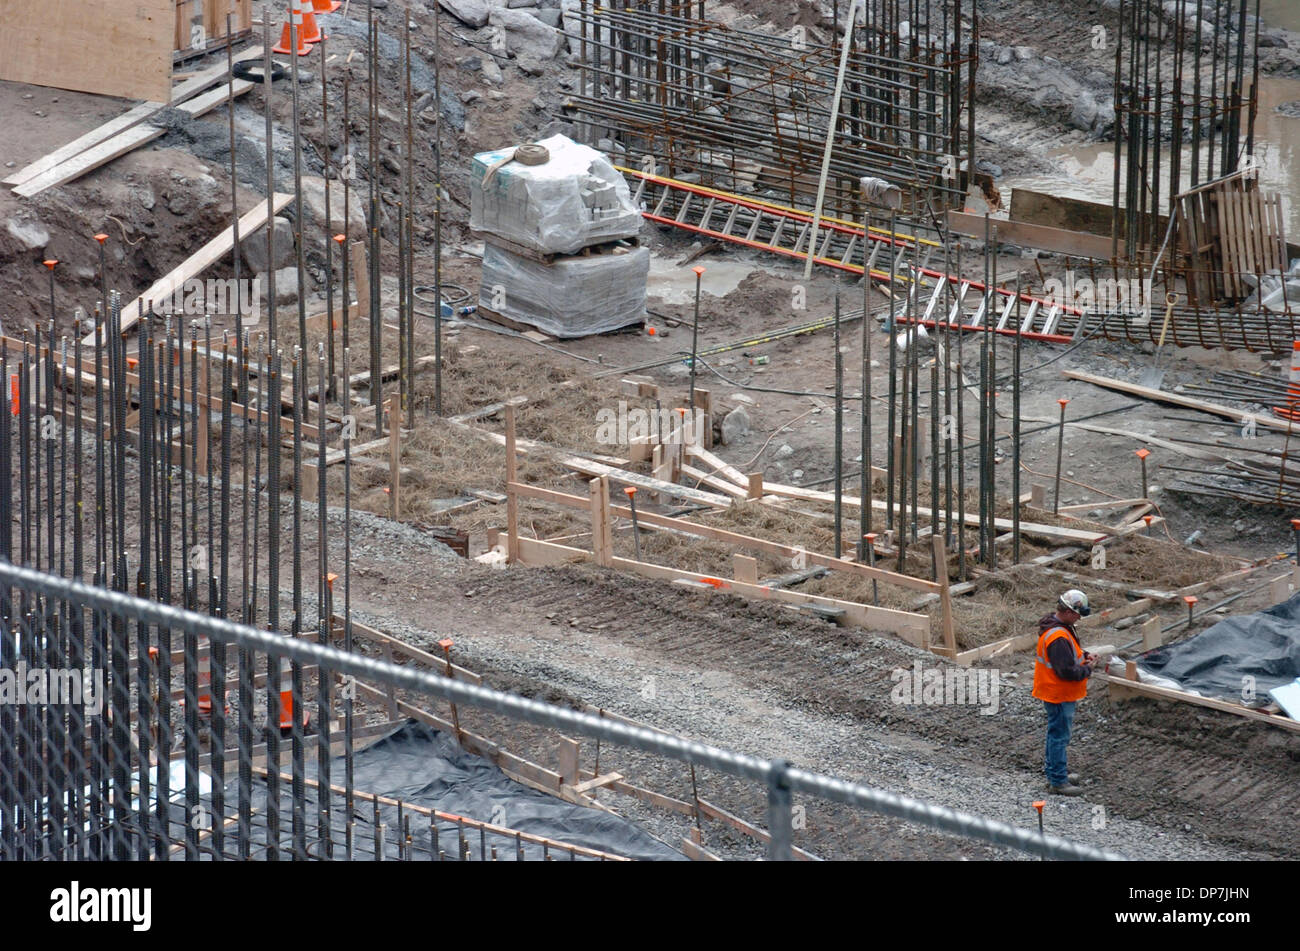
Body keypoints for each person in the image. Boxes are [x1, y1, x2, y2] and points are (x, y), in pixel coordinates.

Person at [1032, 589, 1098, 796]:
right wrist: (1088, 669)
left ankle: (1055, 773)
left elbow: (1068, 657)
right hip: (1059, 694)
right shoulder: (1058, 636)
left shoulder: (1058, 627)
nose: (1079, 618)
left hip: (1055, 692)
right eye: (1078, 614)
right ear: (1069, 611)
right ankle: (1058, 781)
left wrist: (1084, 655)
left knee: (1056, 735)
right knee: (1059, 737)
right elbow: (1067, 671)